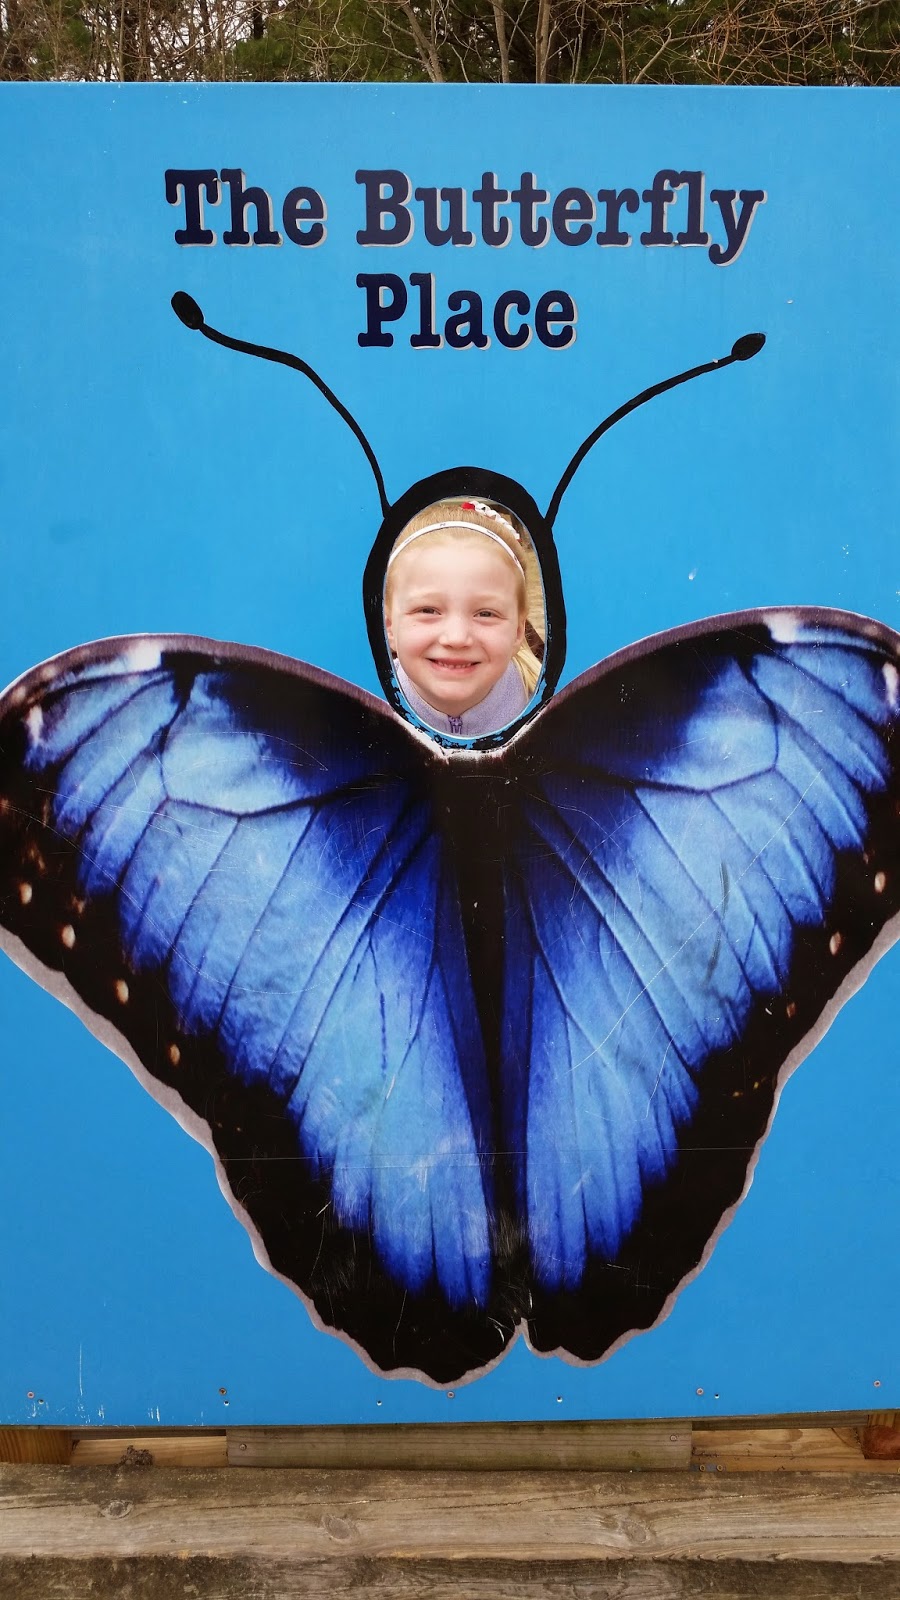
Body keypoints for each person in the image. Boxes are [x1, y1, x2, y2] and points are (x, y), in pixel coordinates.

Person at [383, 498, 544, 737]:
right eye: (428, 610)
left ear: (518, 631)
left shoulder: (545, 707)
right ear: (389, 627)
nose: (456, 638)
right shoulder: (364, 708)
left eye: (486, 614)